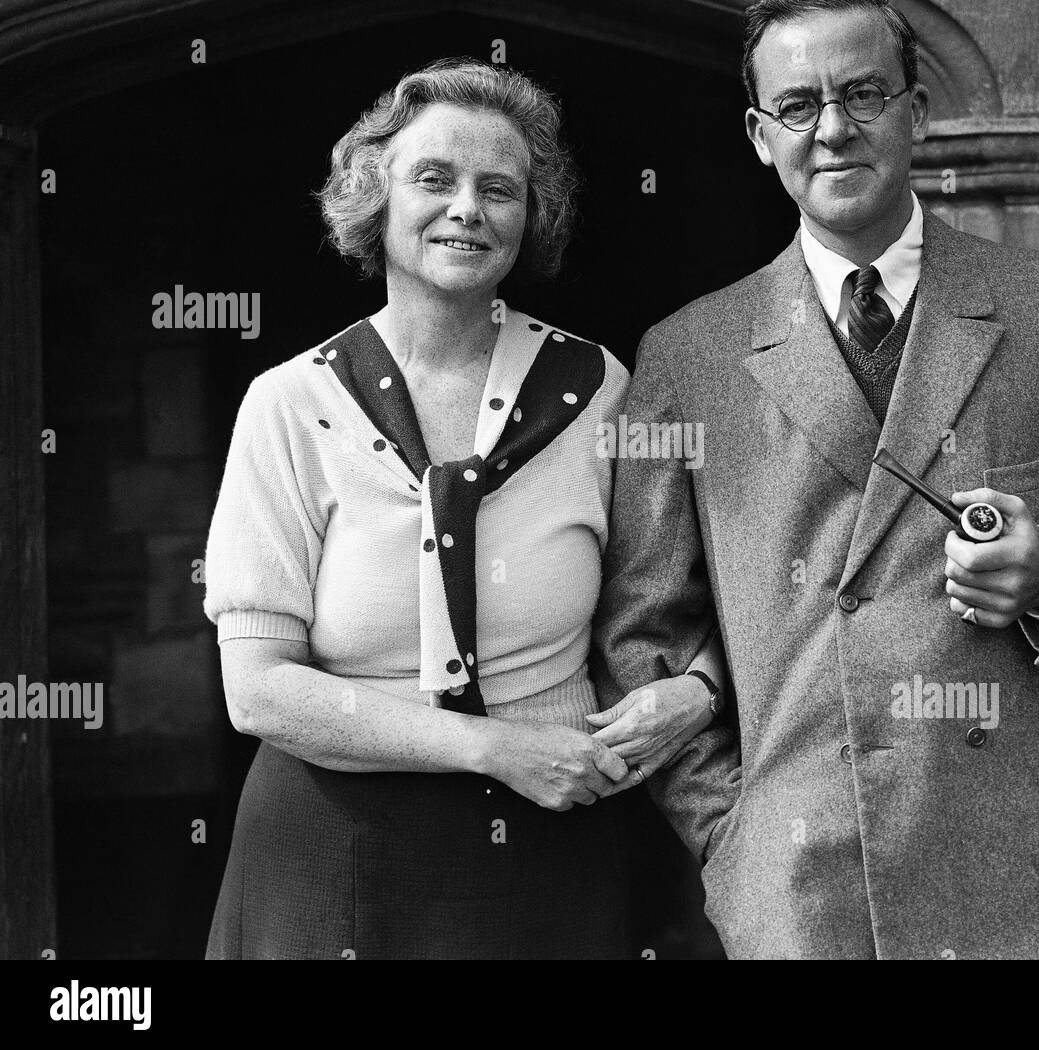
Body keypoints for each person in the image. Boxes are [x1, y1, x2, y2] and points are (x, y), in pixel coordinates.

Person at [592, 0, 1039, 959]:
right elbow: (644, 634)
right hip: (809, 880)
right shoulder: (690, 354)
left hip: (1034, 859)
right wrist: (735, 835)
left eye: (862, 93)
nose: (832, 128)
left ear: (914, 112)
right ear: (760, 136)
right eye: (798, 105)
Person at [202, 57, 723, 959]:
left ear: (534, 216)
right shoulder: (289, 405)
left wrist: (700, 689)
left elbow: (696, 592)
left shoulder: (596, 390)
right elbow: (258, 691)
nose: (468, 209)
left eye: (500, 188)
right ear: (375, 199)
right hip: (332, 846)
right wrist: (492, 749)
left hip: (547, 846)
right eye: (434, 179)